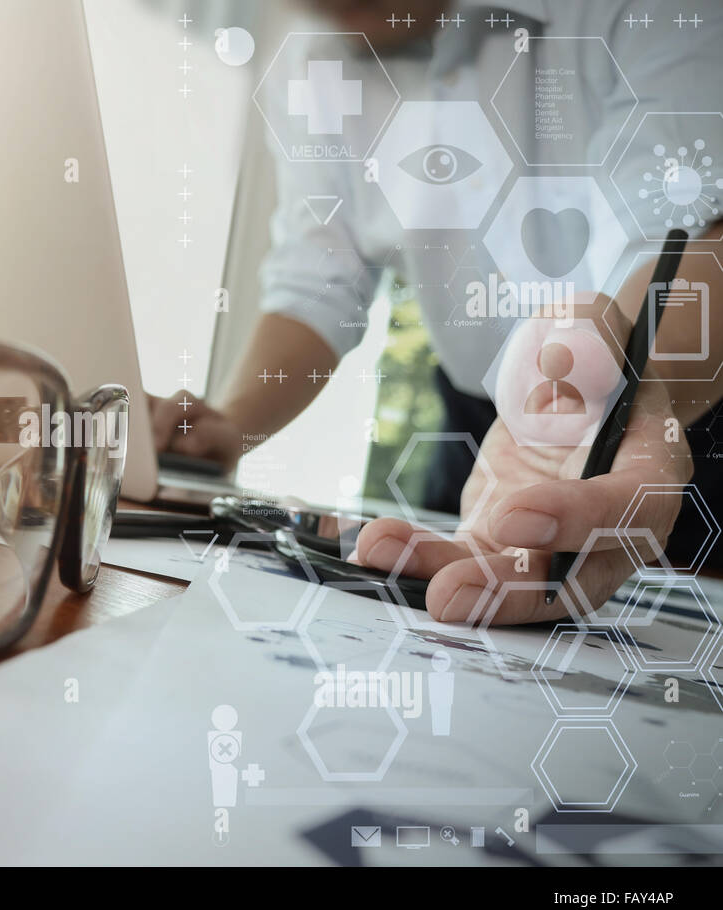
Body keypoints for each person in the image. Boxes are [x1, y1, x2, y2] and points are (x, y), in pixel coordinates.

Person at [152, 0, 723, 625]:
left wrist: (611, 406)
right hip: (476, 439)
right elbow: (315, 281)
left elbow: (684, 243)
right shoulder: (308, 61)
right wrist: (232, 425)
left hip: (668, 418)